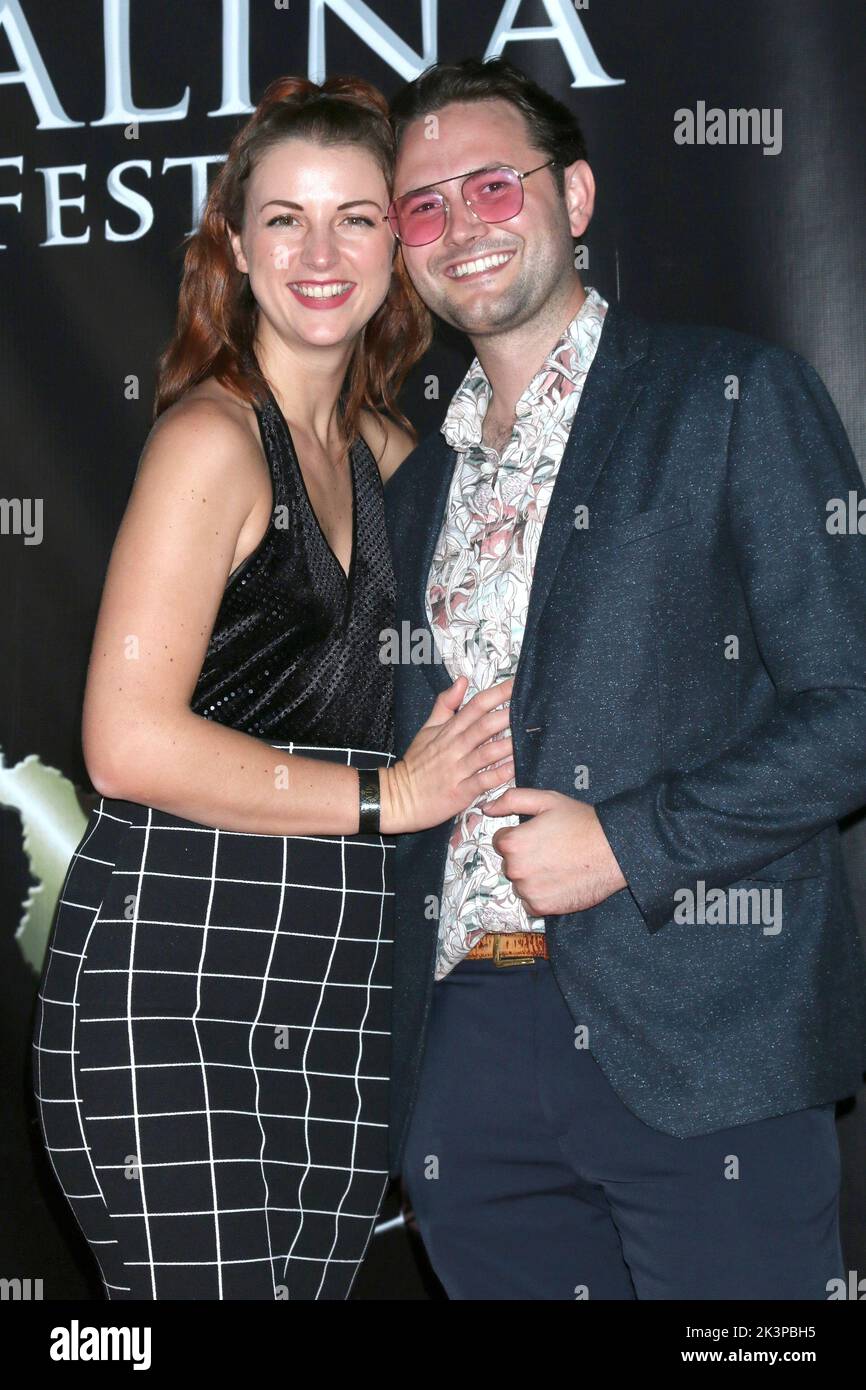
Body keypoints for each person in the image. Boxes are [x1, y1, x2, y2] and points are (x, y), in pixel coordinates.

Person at [383, 57, 866, 1300]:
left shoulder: (729, 395)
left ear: (576, 197)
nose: (460, 226)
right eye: (421, 206)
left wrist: (628, 841)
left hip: (698, 1029)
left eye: (492, 184)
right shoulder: (411, 487)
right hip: (463, 1049)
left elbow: (850, 706)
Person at [31, 74, 514, 1302]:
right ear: (236, 246)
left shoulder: (395, 459)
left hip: (343, 979)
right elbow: (124, 745)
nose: (319, 251)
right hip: (178, 969)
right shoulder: (209, 439)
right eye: (285, 219)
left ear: (399, 247)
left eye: (357, 216)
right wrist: (385, 798)